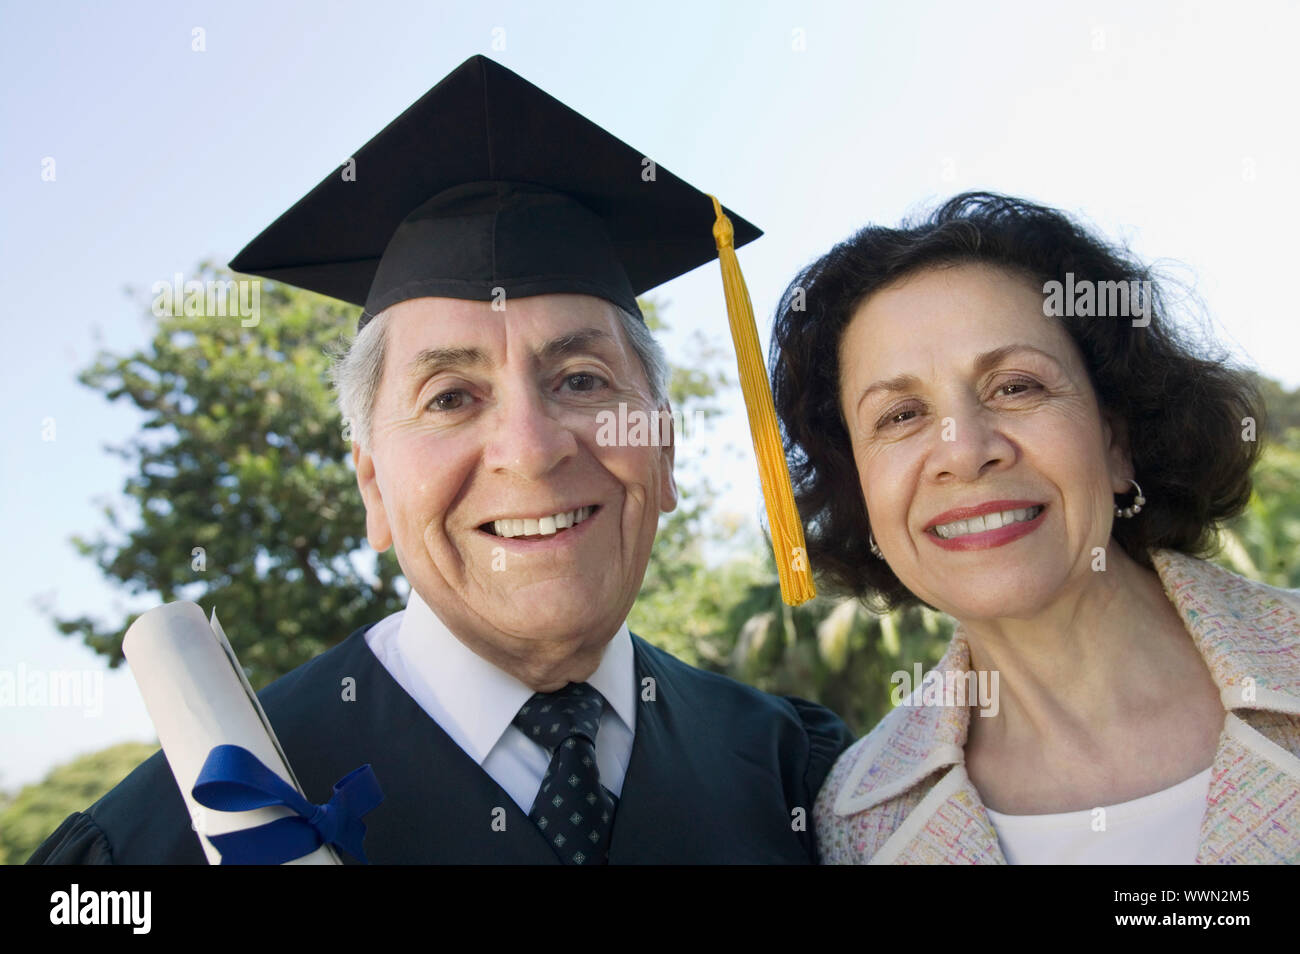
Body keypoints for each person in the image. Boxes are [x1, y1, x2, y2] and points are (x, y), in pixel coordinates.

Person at [29, 55, 852, 865]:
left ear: (662, 451)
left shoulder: (806, 787)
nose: (530, 451)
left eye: (580, 380)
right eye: (451, 397)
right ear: (373, 484)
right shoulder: (179, 830)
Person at [769, 192, 1300, 864]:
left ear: (1116, 439)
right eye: (900, 415)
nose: (965, 452)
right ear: (861, 491)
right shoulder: (858, 822)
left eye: (1015, 386)